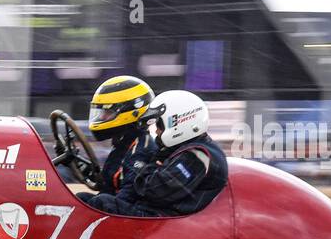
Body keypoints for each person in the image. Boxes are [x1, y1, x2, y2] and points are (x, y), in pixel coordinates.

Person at [83, 88, 228, 217]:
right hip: (156, 214)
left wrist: (156, 161)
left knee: (103, 203)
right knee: (82, 200)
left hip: (163, 220)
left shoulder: (197, 155)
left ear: (179, 122)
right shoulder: (183, 150)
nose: (157, 130)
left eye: (159, 124)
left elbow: (154, 192)